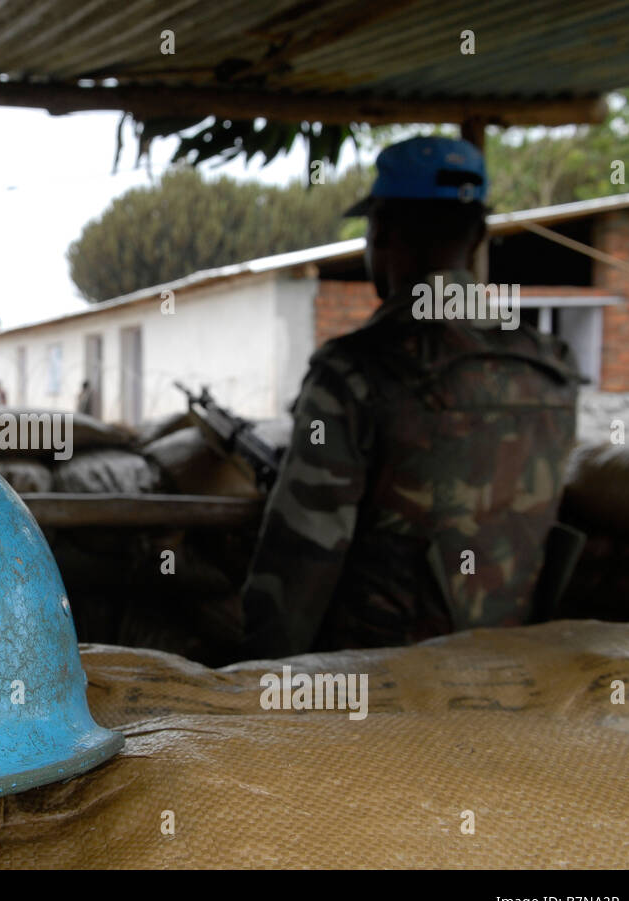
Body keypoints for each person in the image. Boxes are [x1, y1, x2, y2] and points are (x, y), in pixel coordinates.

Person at [239, 136, 581, 658]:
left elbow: (301, 557)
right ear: (479, 236)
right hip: (519, 667)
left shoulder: (355, 369)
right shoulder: (551, 363)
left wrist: (257, 682)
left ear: (384, 232)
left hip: (387, 684)